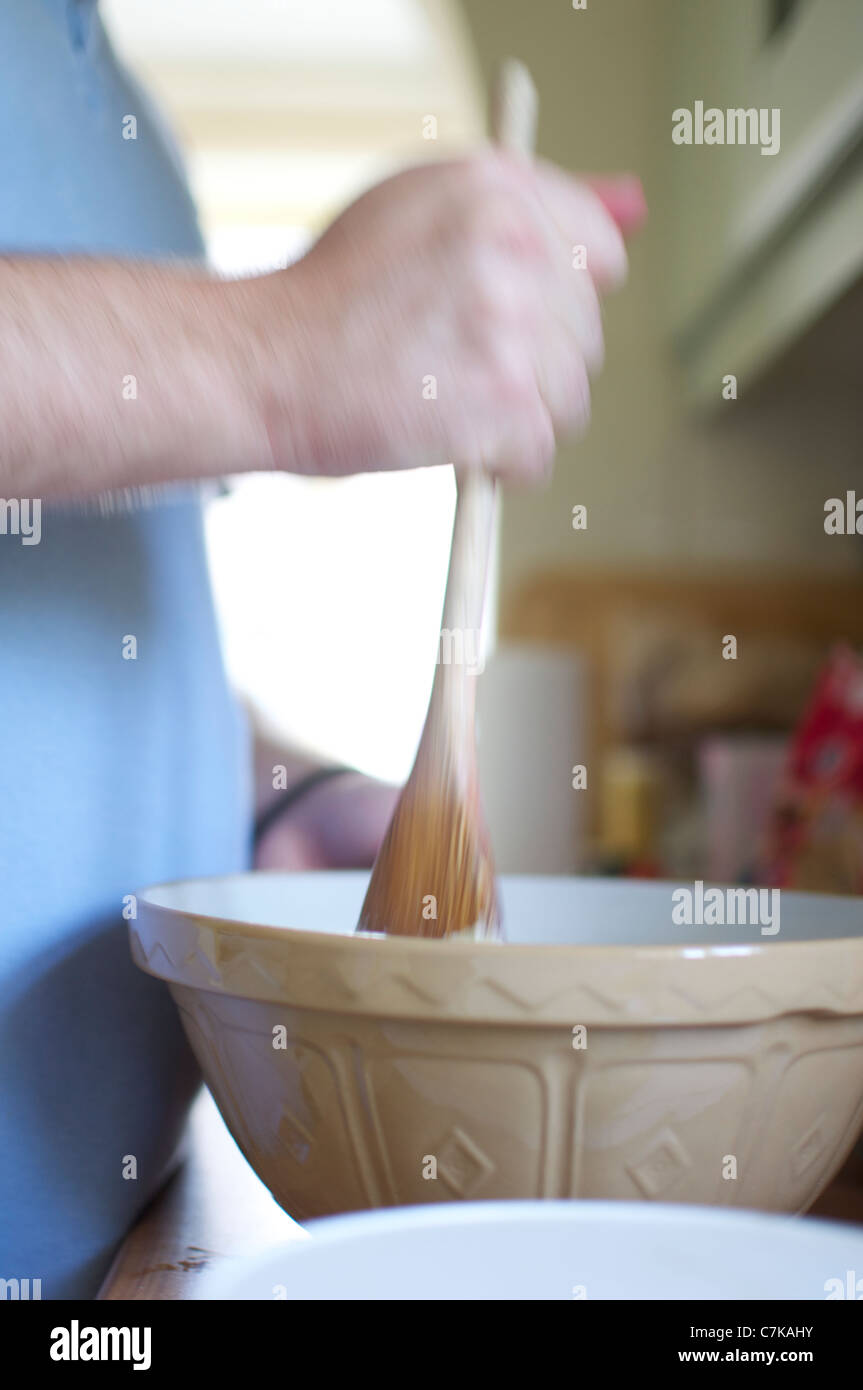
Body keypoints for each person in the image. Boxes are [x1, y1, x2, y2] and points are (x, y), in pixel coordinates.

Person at [0, 1, 644, 1298]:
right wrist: (283, 352)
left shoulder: (125, 120)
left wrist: (275, 789)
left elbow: (87, 624)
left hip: (107, 1258)